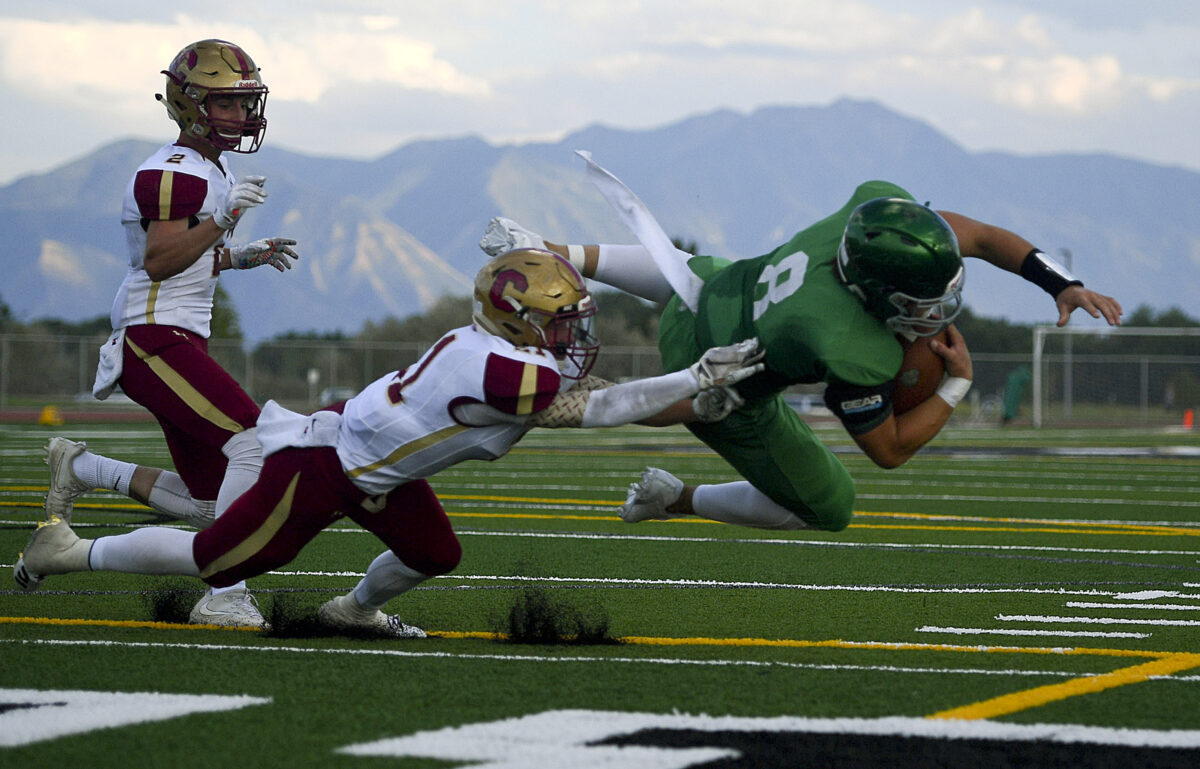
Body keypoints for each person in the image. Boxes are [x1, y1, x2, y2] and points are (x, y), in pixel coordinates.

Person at [14, 248, 764, 638]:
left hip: (376, 467)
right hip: (324, 468)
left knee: (435, 552)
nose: (572, 334)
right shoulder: (500, 365)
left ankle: (354, 608)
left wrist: (687, 389)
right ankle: (66, 551)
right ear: (521, 322)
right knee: (216, 556)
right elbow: (594, 412)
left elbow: (589, 402)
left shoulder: (501, 352)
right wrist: (691, 376)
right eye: (560, 321)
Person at [479, 168, 1124, 533]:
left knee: (703, 271)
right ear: (873, 291)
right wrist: (955, 385)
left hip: (717, 290)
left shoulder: (874, 221)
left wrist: (1059, 283)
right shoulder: (841, 344)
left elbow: (980, 237)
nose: (934, 312)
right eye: (918, 303)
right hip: (713, 372)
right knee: (826, 501)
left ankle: (554, 250)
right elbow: (890, 450)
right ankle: (630, 453)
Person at [43, 40, 302, 629]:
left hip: (176, 335)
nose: (242, 115)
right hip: (154, 338)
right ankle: (225, 595)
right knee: (254, 442)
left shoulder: (211, 167)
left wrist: (236, 257)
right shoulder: (173, 170)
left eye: (245, 102)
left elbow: (183, 261)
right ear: (190, 104)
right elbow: (158, 263)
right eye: (228, 103)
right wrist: (225, 220)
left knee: (213, 500)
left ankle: (82, 470)